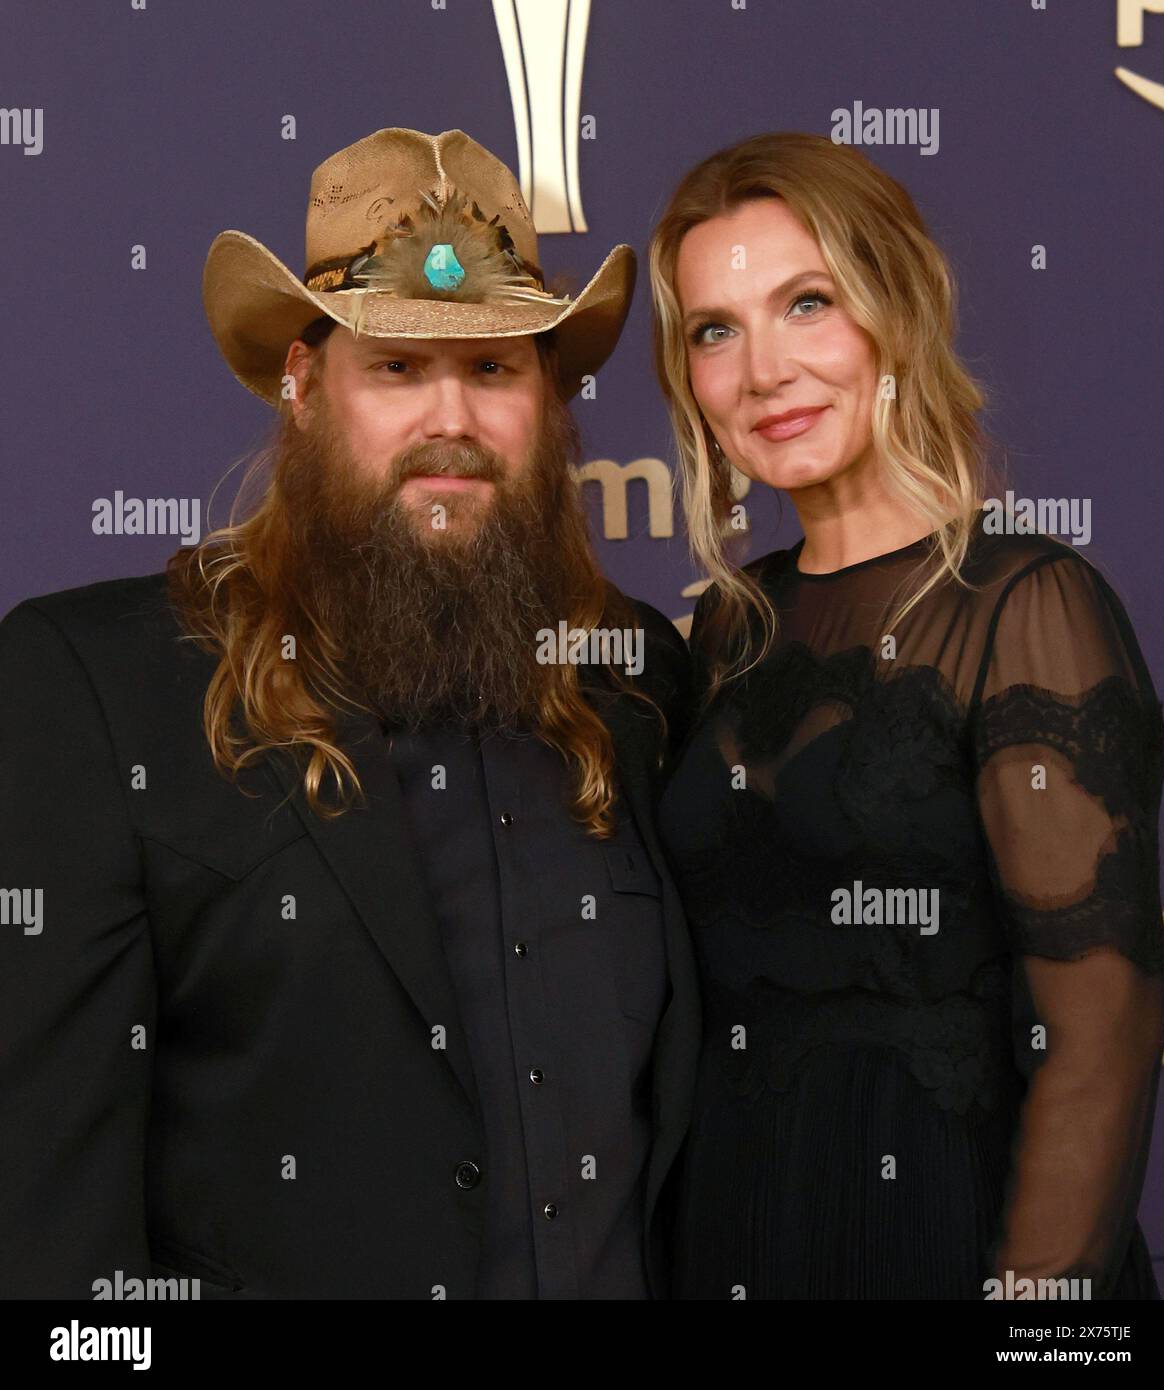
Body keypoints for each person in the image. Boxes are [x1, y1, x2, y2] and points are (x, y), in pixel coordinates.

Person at [0, 126, 699, 1300]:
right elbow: (45, 1221)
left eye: (491, 370)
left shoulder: (631, 679)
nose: (452, 422)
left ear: (550, 403)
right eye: (395, 367)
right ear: (303, 386)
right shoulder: (100, 683)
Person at [647, 131, 1164, 1299]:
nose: (761, 371)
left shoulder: (1024, 605)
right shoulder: (726, 634)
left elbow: (1098, 1040)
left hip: (947, 1233)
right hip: (732, 1234)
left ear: (896, 314)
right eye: (713, 331)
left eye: (806, 303)